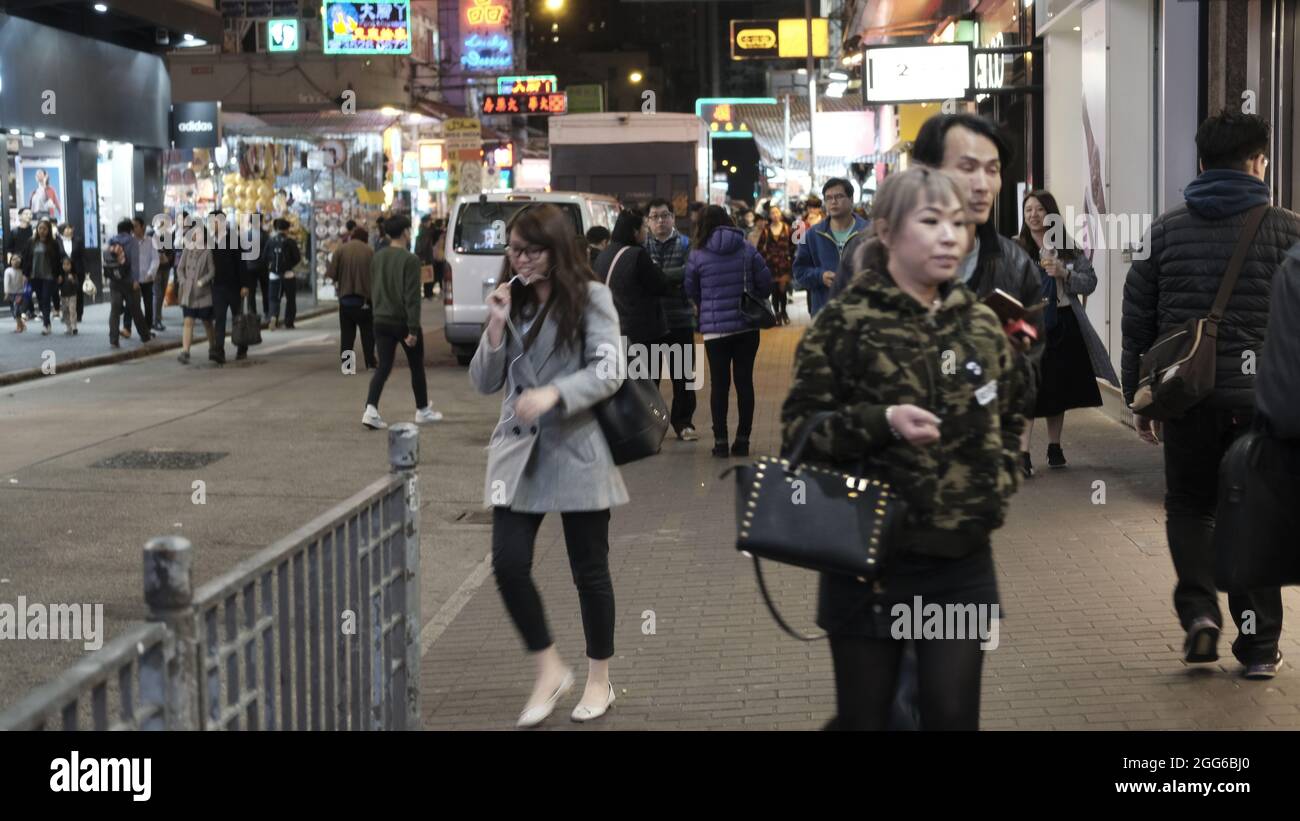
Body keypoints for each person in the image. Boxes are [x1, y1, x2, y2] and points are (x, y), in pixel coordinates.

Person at [781, 166, 1025, 731]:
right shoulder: (844, 325)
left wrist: (998, 484)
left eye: (959, 224)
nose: (949, 236)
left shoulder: (982, 326)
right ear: (886, 233)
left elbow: (1012, 412)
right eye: (931, 221)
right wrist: (880, 420)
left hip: (961, 561)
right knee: (867, 720)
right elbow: (800, 433)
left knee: (952, 716)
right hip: (867, 564)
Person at [1121, 108, 1298, 678]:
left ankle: (1200, 615)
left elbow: (1137, 321)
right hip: (1263, 403)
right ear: (1258, 161)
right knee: (1257, 511)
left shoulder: (1165, 230)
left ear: (1200, 162)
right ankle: (1257, 647)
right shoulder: (1290, 231)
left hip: (1188, 397)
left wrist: (1138, 399)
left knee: (1190, 505)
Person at [468, 203, 626, 728]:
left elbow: (609, 371)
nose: (523, 259)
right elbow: (485, 383)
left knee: (590, 572)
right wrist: (494, 324)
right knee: (508, 562)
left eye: (533, 250)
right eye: (514, 249)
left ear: (557, 250)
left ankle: (599, 678)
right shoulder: (508, 302)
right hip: (517, 453)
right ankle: (548, 668)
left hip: (576, 446)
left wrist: (554, 392)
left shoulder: (591, 297)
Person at [1015, 190, 1118, 472]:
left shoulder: (1067, 246)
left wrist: (1065, 274)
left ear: (1051, 212)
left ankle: (1054, 446)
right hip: (1030, 325)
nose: (1033, 215)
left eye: (1038, 209)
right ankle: (1023, 454)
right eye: (1028, 210)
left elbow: (1090, 282)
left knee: (1056, 387)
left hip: (1063, 323)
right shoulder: (1016, 248)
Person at [684, 205, 773, 458]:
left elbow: (690, 289)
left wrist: (709, 302)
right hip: (746, 327)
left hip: (715, 331)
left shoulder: (698, 253)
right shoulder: (746, 248)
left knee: (719, 385)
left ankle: (721, 443)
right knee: (745, 382)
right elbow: (765, 284)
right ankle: (742, 441)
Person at [362, 215, 442, 429]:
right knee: (416, 366)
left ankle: (371, 409)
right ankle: (422, 410)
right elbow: (412, 297)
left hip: (380, 320)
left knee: (384, 366)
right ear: (406, 232)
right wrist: (413, 329)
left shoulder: (377, 257)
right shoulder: (410, 259)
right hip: (403, 322)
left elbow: (373, 288)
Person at [644, 198, 699, 441]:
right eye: (655, 216)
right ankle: (651, 423)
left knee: (683, 377)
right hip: (651, 322)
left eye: (665, 215)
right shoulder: (641, 246)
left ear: (673, 218)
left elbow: (689, 274)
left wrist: (655, 278)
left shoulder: (687, 244)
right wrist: (668, 279)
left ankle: (683, 422)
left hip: (680, 320)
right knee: (648, 377)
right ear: (647, 221)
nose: (660, 221)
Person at [593, 209, 669, 353]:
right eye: (644, 227)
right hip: (640, 334)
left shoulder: (603, 255)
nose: (646, 231)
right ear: (635, 231)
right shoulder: (637, 255)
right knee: (645, 375)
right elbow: (660, 285)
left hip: (610, 332)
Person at [794, 179, 868, 317]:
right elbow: (799, 269)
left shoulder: (869, 232)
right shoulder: (805, 229)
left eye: (839, 196)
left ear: (851, 199)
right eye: (828, 198)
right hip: (825, 313)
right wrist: (819, 276)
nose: (833, 201)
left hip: (862, 313)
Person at [327, 226, 377, 370]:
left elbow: (332, 274)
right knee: (368, 334)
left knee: (347, 335)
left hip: (346, 300)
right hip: (365, 301)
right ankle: (370, 363)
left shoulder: (341, 250)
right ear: (365, 238)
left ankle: (348, 366)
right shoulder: (370, 251)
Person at [208, 211, 252, 364]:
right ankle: (219, 350)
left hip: (234, 286)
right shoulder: (209, 241)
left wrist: (245, 285)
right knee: (219, 319)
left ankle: (242, 347)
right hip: (217, 287)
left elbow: (242, 263)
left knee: (237, 319)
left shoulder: (233, 239)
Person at [103, 219, 150, 347]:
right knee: (136, 309)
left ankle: (113, 339)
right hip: (129, 281)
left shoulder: (111, 241)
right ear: (130, 230)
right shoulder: (132, 241)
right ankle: (145, 336)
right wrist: (136, 280)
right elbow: (135, 262)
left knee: (115, 310)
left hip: (115, 281)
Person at [174, 223, 215, 365]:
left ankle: (213, 347)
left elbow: (212, 271)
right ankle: (185, 351)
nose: (198, 236)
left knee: (207, 322)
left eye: (201, 233)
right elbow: (180, 268)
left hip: (203, 293)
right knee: (188, 321)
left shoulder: (208, 251)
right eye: (195, 233)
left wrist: (203, 281)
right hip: (189, 292)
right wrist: (183, 281)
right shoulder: (187, 250)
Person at [22, 219, 64, 335]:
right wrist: (25, 274)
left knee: (46, 298)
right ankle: (47, 320)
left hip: (49, 276)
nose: (42, 231)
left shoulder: (53, 243)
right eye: (40, 228)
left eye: (44, 229)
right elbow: (26, 259)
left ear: (48, 230)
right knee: (41, 299)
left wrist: (59, 274)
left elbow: (58, 260)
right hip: (35, 275)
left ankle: (46, 324)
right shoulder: (31, 242)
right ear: (37, 229)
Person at [757, 201, 796, 325]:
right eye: (772, 213)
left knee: (783, 291)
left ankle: (784, 312)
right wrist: (765, 258)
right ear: (769, 215)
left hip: (784, 265)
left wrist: (790, 257)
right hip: (771, 266)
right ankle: (777, 314)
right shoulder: (766, 231)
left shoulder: (788, 228)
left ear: (780, 214)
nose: (775, 215)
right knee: (774, 292)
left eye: (777, 212)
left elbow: (794, 245)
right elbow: (759, 248)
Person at [263, 218, 303, 330]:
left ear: (277, 228)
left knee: (273, 299)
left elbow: (264, 257)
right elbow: (297, 257)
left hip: (274, 275)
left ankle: (273, 317)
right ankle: (288, 322)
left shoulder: (271, 241)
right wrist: (289, 266)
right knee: (290, 299)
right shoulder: (290, 241)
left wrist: (271, 267)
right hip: (288, 275)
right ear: (287, 229)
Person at [131, 217, 160, 334]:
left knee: (148, 305)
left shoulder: (151, 241)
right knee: (134, 306)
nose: (133, 229)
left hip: (147, 279)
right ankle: (140, 329)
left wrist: (150, 272)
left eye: (136, 226)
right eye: (132, 226)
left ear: (142, 226)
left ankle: (147, 329)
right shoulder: (131, 242)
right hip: (134, 280)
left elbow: (155, 259)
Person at [57, 224, 86, 324]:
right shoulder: (57, 242)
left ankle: (78, 314)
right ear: (62, 231)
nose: (70, 230)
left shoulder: (78, 241)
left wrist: (85, 271)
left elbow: (83, 256)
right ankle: (66, 314)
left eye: (70, 228)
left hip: (77, 270)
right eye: (67, 228)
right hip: (63, 271)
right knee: (64, 293)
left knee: (78, 292)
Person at [415, 214, 437, 300]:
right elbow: (424, 247)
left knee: (427, 275)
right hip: (426, 257)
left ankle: (428, 293)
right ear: (425, 222)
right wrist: (424, 258)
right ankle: (428, 293)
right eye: (429, 221)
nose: (430, 223)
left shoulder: (423, 231)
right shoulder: (425, 232)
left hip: (425, 257)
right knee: (428, 275)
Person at [57, 256, 79, 335]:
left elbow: (77, 285)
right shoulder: (61, 275)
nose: (65, 266)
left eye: (68, 264)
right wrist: (59, 282)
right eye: (64, 264)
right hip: (63, 296)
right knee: (65, 311)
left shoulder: (73, 275)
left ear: (71, 265)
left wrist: (72, 280)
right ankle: (68, 326)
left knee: (72, 310)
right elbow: (58, 286)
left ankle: (74, 327)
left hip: (72, 295)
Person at [5, 253, 26, 333]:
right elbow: (6, 283)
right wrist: (7, 293)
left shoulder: (22, 272)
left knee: (17, 310)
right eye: (13, 259)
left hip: (19, 293)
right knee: (14, 311)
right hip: (10, 293)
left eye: (17, 259)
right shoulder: (8, 271)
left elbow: (23, 284)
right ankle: (21, 324)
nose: (15, 261)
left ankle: (19, 327)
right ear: (10, 261)